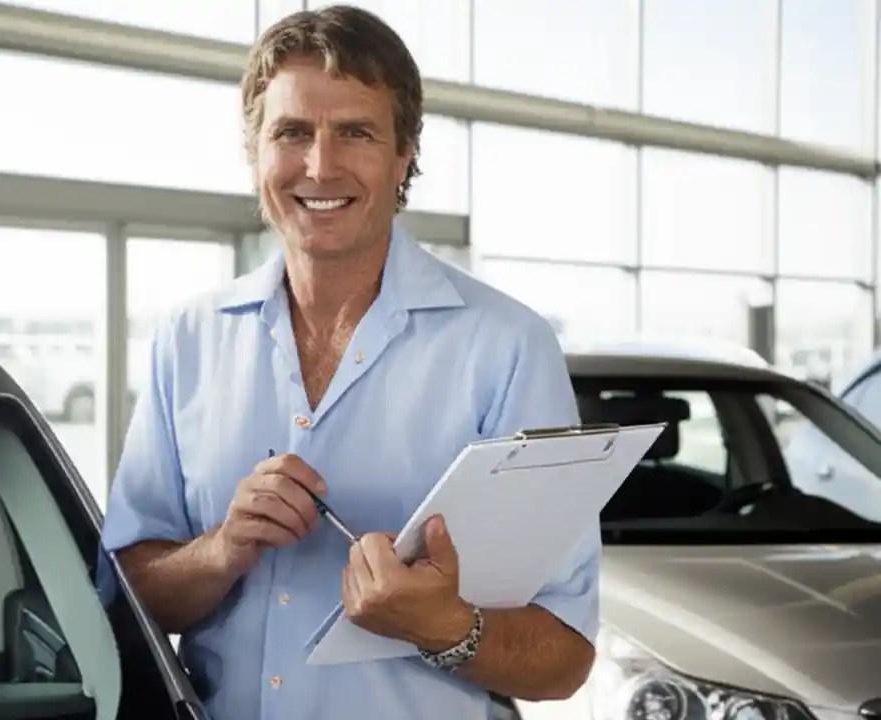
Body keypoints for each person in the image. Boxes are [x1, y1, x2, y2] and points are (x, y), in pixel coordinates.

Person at [100, 6, 599, 719]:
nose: (320, 165)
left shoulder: (508, 347)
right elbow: (127, 595)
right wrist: (221, 549)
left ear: (403, 159)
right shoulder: (188, 338)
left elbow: (563, 659)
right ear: (255, 153)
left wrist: (442, 626)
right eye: (293, 132)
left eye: (356, 133)